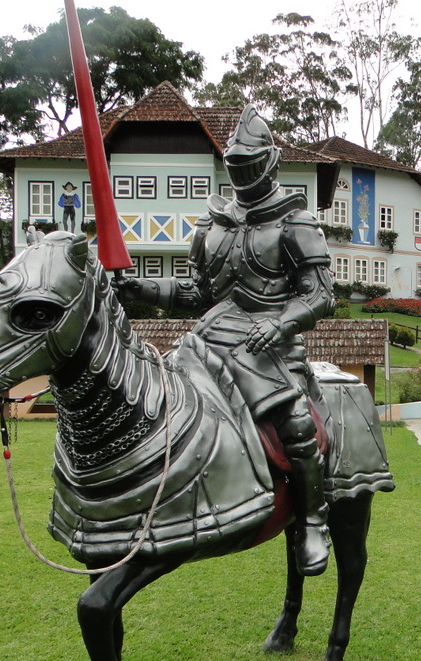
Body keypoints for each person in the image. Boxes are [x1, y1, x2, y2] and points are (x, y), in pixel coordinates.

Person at [114, 106, 336, 576]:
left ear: (270, 162)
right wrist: (143, 288)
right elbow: (198, 293)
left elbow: (320, 295)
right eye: (235, 164)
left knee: (295, 424)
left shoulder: (295, 221)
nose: (242, 173)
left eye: (249, 163)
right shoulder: (212, 223)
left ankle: (313, 521)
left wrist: (280, 324)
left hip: (268, 347)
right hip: (210, 339)